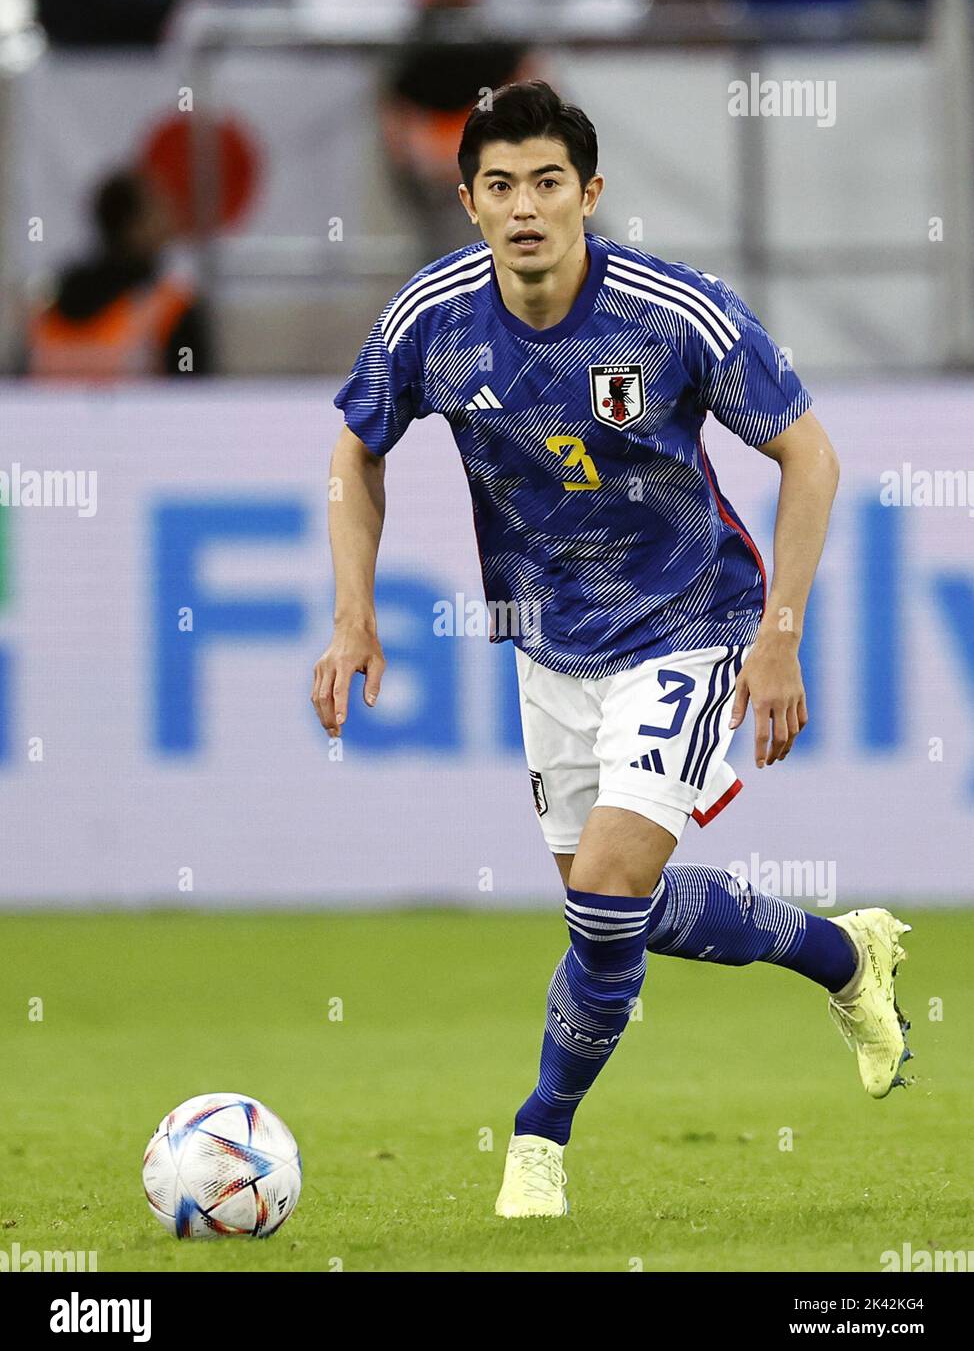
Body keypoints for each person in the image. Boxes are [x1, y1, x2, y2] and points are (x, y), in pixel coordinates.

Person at [311, 81, 913, 1218]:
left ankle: (537, 1138)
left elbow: (811, 457)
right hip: (548, 649)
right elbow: (355, 451)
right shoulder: (429, 323)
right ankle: (841, 957)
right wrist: (353, 612)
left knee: (601, 896)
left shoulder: (671, 314)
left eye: (548, 182)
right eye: (500, 186)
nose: (525, 206)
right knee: (609, 920)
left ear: (589, 193)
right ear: (469, 202)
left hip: (691, 622)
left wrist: (777, 639)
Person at [25, 169, 210, 381]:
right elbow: (193, 396)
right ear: (132, 228)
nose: (170, 217)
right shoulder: (171, 310)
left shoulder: (47, 304)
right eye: (158, 210)